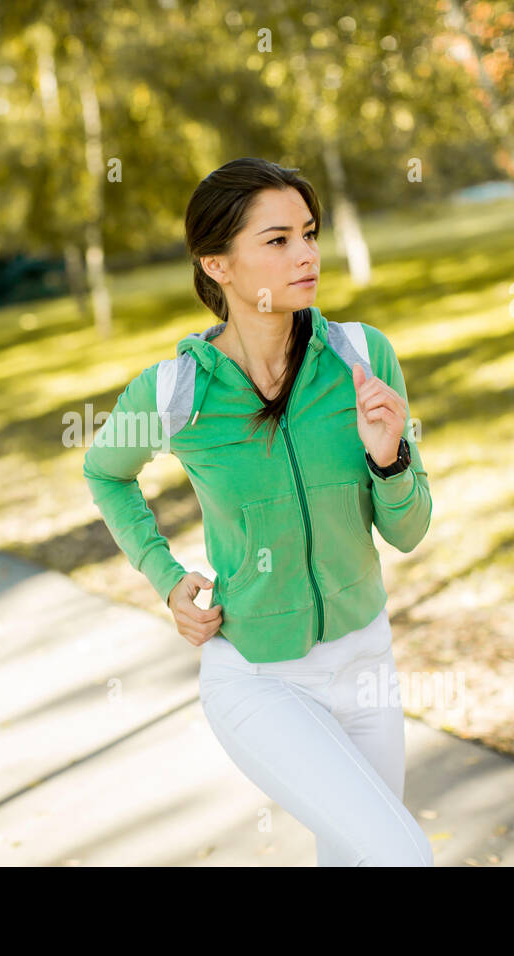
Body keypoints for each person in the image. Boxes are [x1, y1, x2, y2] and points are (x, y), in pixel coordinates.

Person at [82, 157, 434, 866]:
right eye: (277, 240)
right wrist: (166, 576)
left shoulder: (362, 358)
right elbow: (104, 473)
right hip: (260, 679)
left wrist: (390, 457)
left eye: (308, 233)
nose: (305, 253)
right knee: (402, 858)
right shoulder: (173, 391)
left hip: (367, 661)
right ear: (217, 264)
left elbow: (408, 531)